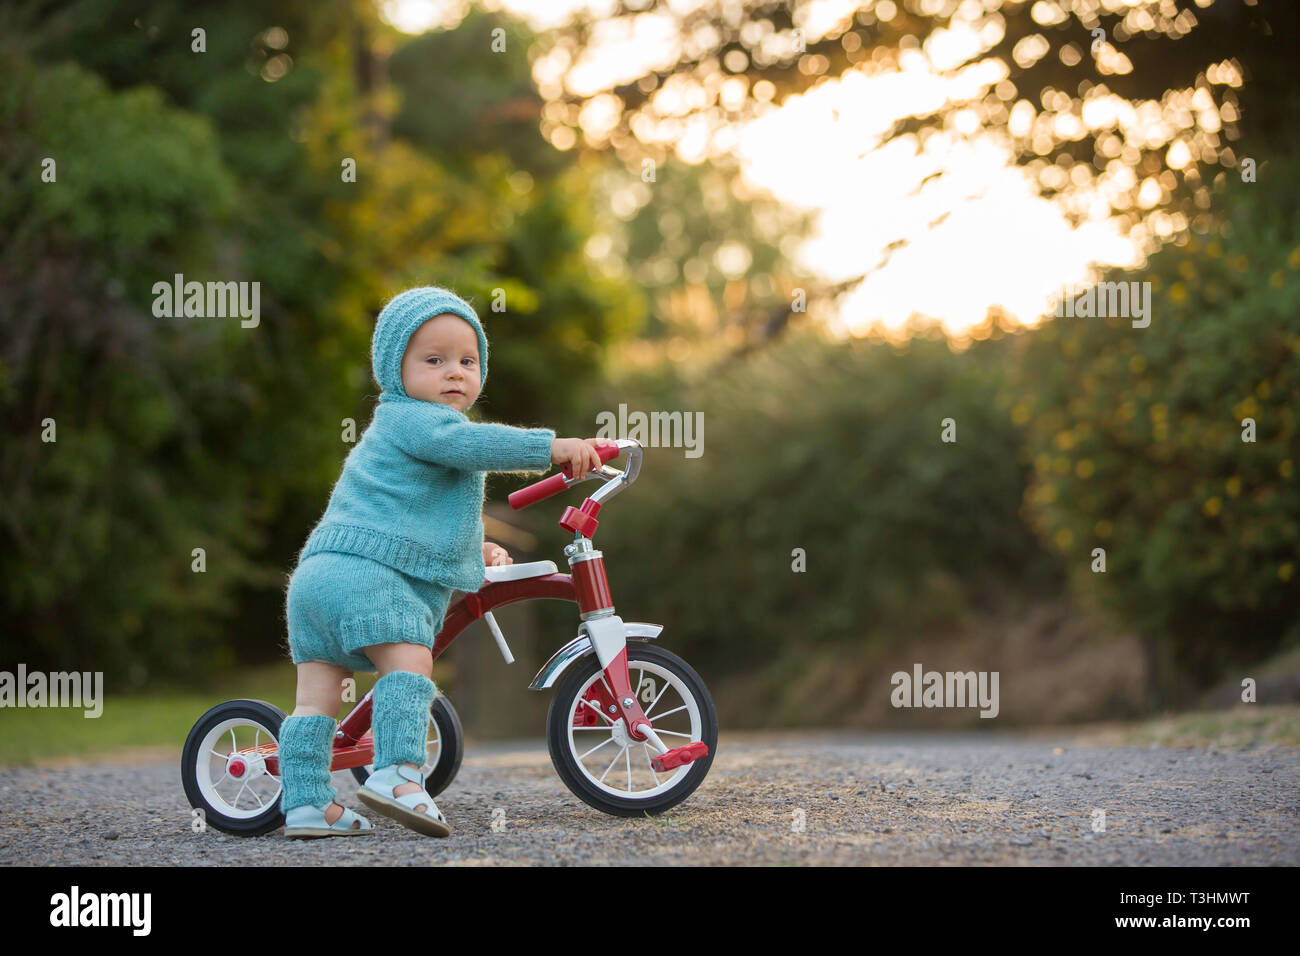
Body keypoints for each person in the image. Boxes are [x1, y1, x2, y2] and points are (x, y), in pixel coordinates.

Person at [277, 286, 605, 838]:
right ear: (393, 369)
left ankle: (307, 803)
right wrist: (552, 447)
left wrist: (470, 549)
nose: (455, 373)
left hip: (317, 578)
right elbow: (473, 446)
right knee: (412, 665)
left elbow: (405, 512)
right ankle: (398, 775)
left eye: (467, 360)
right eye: (434, 360)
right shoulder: (415, 420)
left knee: (318, 696)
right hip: (368, 575)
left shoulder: (405, 436)